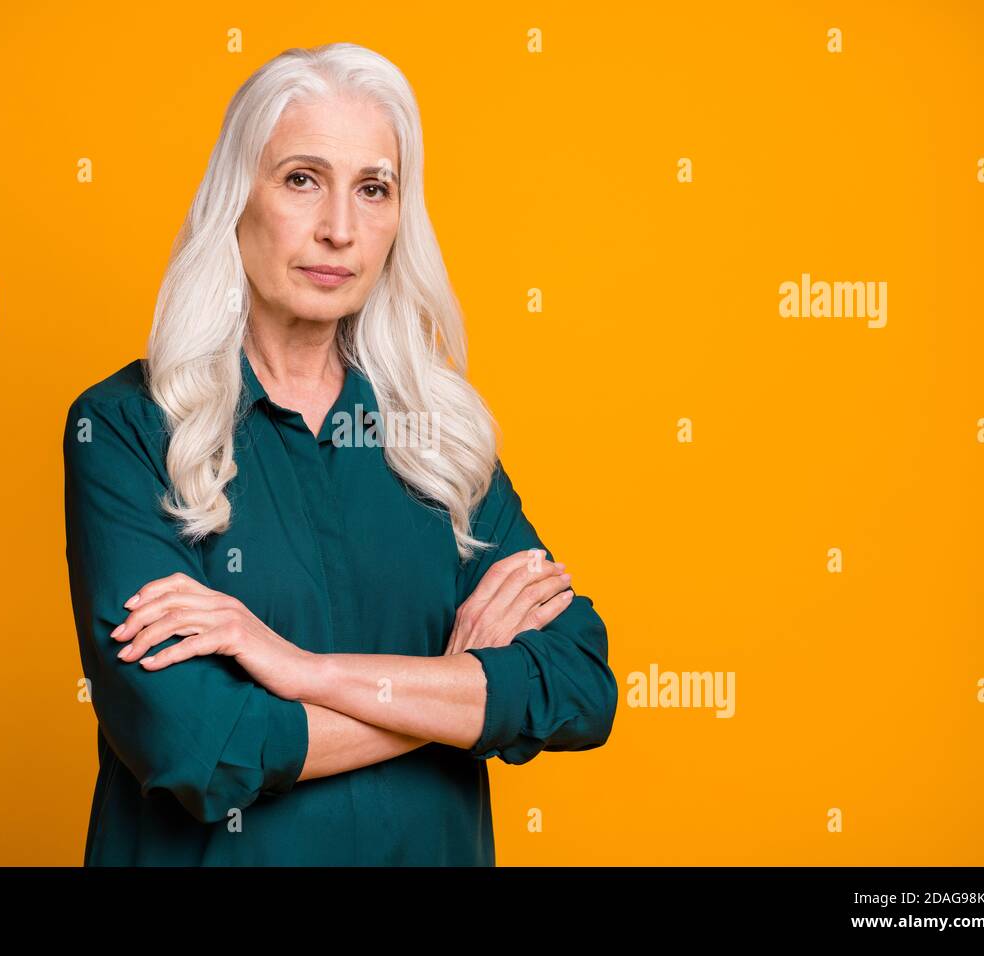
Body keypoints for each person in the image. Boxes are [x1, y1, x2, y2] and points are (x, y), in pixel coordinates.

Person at [62, 42, 618, 866]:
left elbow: (576, 684)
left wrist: (299, 670)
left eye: (372, 189)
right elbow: (197, 746)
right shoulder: (125, 430)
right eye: (300, 179)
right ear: (234, 199)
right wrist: (450, 684)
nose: (338, 229)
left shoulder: (441, 437)